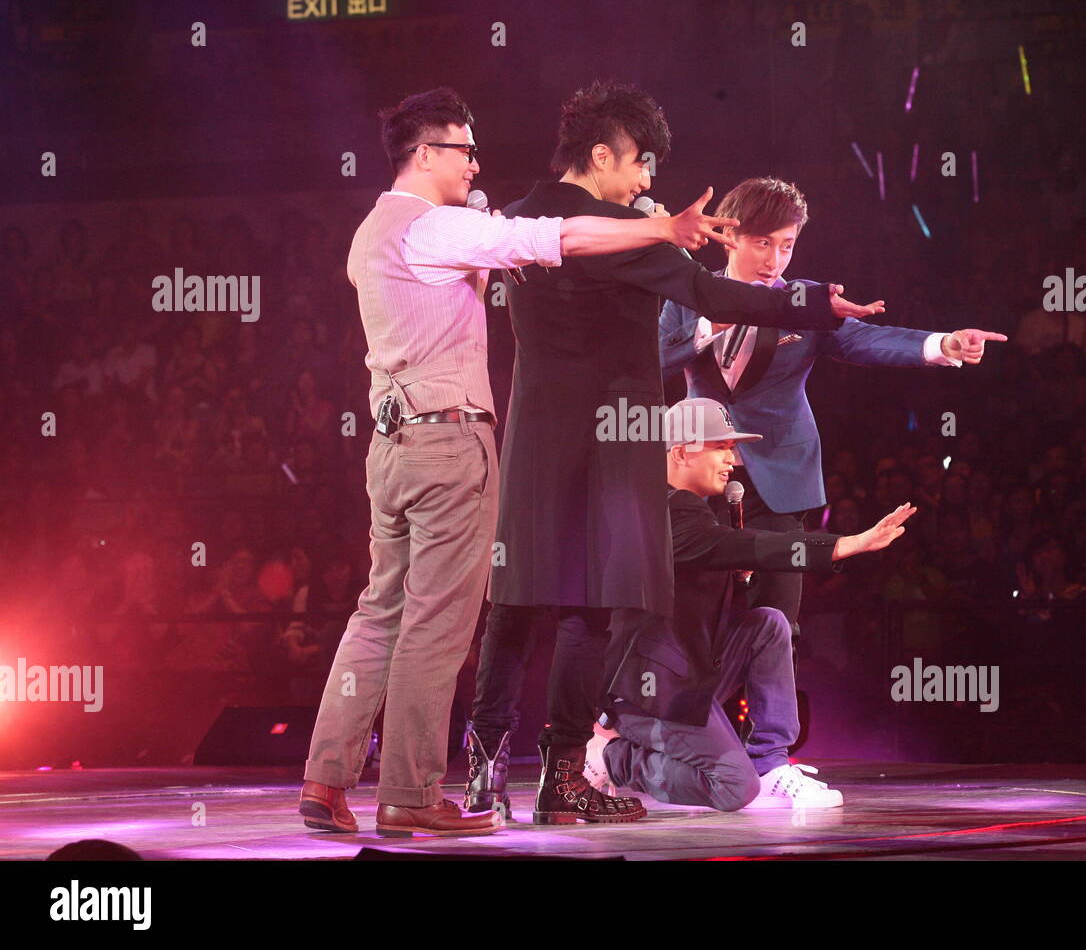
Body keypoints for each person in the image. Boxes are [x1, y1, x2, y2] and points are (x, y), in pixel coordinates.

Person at [298, 87, 740, 838]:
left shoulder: (369, 232)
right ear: (428, 153)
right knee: (437, 625)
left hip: (388, 445)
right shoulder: (435, 229)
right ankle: (410, 792)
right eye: (465, 149)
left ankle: (325, 779)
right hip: (448, 443)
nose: (476, 160)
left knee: (380, 614)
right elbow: (557, 238)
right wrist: (661, 226)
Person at [466, 82, 887, 824]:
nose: (646, 184)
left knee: (514, 600)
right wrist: (815, 305)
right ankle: (564, 780)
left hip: (534, 434)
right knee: (591, 614)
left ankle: (482, 768)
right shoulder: (629, 233)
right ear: (602, 155)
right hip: (616, 440)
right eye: (640, 166)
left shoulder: (518, 218)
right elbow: (718, 297)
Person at [659, 177, 1006, 645]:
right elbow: (657, 357)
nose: (774, 260)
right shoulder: (691, 293)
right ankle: (690, 714)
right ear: (731, 237)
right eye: (763, 243)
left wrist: (942, 344)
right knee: (697, 619)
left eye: (786, 246)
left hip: (780, 477)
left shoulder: (806, 301)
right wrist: (717, 318)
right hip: (701, 477)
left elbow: (866, 341)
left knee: (776, 623)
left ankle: (772, 720)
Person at [593, 399, 916, 810]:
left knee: (768, 624)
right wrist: (844, 545)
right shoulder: (667, 509)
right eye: (720, 447)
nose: (733, 460)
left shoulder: (692, 508)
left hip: (689, 673)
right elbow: (755, 545)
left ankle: (769, 761)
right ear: (680, 452)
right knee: (733, 788)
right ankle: (613, 757)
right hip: (651, 689)